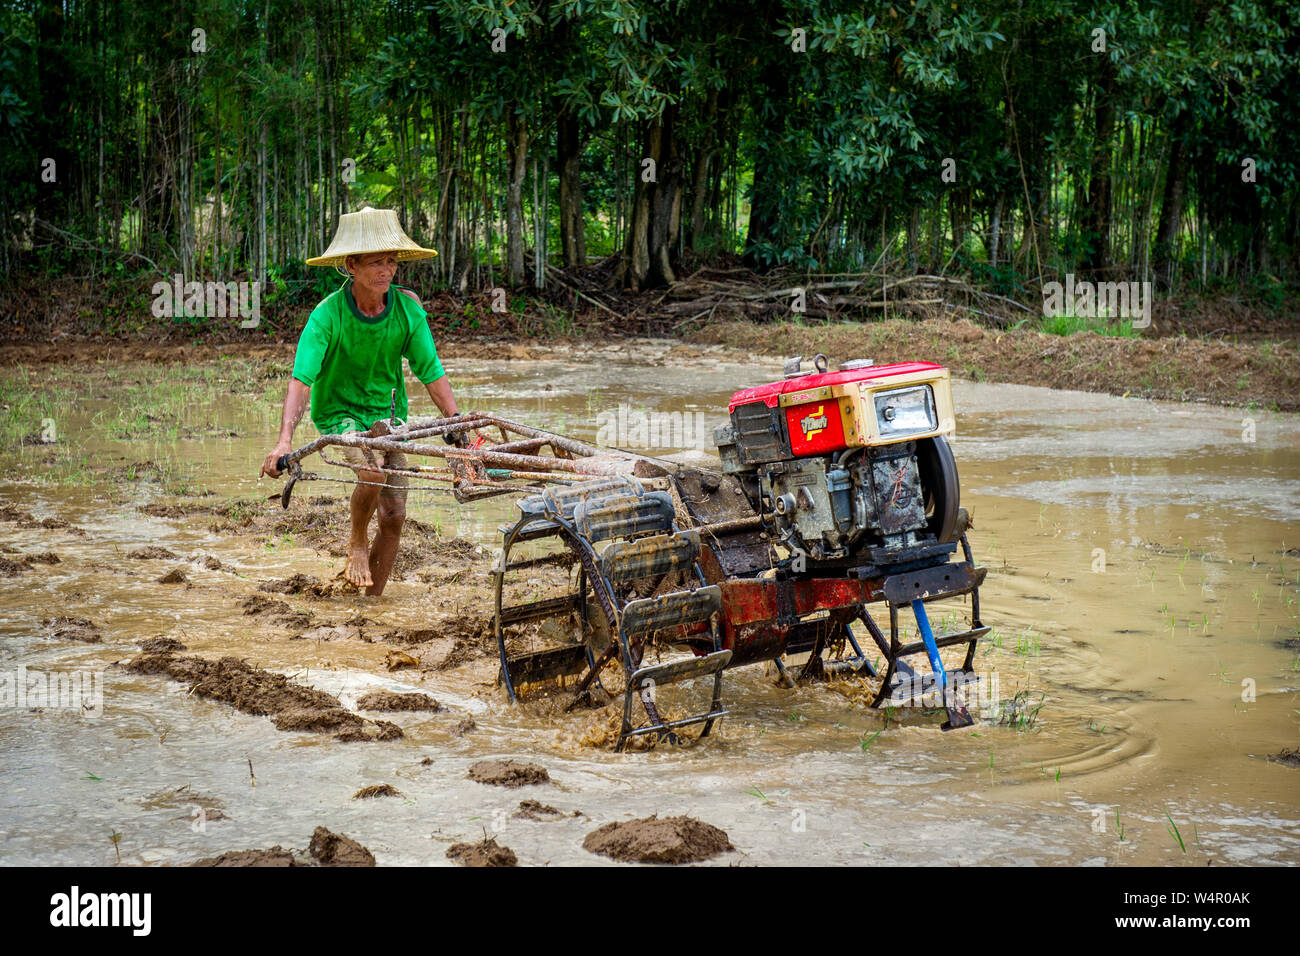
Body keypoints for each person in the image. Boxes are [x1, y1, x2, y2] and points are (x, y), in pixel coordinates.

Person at [260, 207, 466, 596]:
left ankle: (371, 605)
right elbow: (302, 380)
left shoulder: (407, 309)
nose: (387, 270)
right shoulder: (327, 316)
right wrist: (284, 440)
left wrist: (454, 420)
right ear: (351, 265)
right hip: (339, 414)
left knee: (395, 515)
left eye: (392, 261)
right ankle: (356, 540)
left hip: (387, 417)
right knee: (372, 472)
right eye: (376, 262)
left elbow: (431, 370)